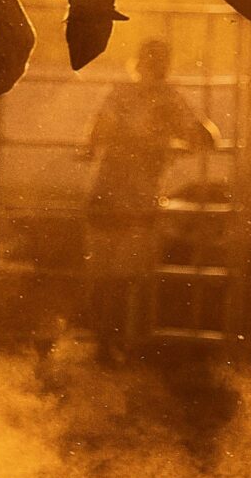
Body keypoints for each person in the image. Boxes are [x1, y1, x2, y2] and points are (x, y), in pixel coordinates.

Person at [82, 39, 219, 363]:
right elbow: (205, 139)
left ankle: (107, 340)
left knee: (111, 274)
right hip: (134, 195)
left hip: (112, 191)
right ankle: (118, 340)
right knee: (125, 275)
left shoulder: (124, 95)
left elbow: (95, 136)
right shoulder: (167, 100)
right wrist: (172, 144)